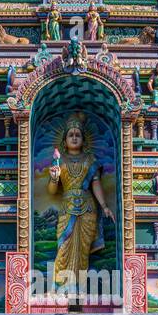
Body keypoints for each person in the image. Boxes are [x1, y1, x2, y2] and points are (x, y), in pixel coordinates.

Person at [47, 111, 114, 286]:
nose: (74, 138)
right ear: (65, 139)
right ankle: (59, 286)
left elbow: (96, 183)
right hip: (67, 206)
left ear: (84, 139)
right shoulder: (59, 161)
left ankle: (79, 287)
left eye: (78, 135)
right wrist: (54, 177)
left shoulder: (90, 159)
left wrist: (105, 206)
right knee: (64, 246)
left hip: (88, 207)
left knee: (83, 250)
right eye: (71, 135)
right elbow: (53, 191)